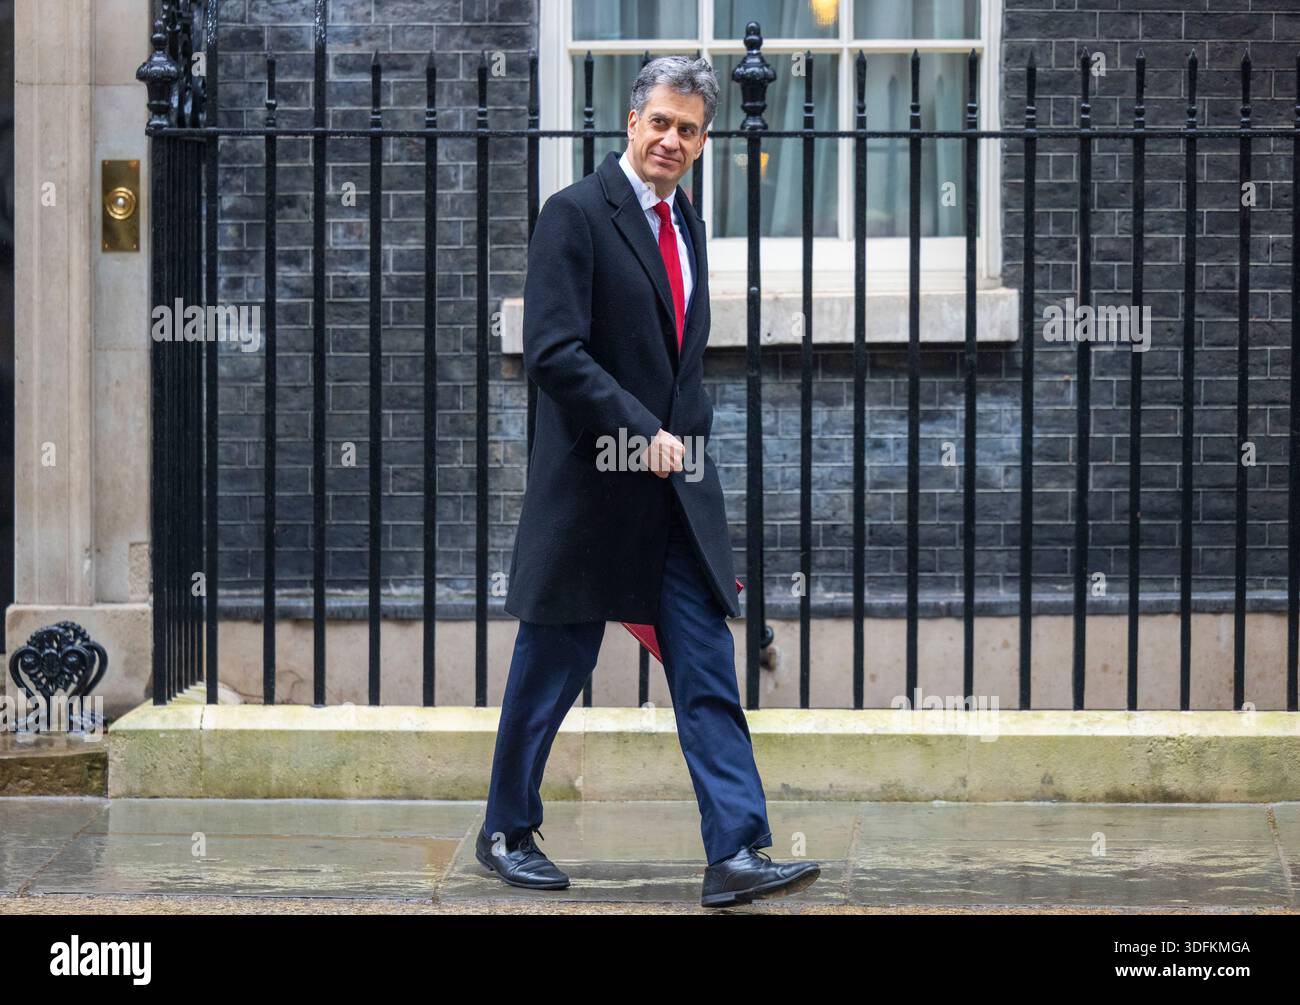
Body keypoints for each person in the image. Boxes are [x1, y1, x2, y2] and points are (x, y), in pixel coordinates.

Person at [475, 55, 820, 908]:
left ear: (703, 142)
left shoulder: (689, 223)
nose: (672, 139)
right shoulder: (575, 215)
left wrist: (686, 452)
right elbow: (554, 352)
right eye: (660, 122)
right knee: (552, 666)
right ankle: (505, 828)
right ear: (631, 122)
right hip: (594, 490)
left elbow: (683, 367)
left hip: (672, 494)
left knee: (707, 664)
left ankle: (735, 851)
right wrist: (641, 431)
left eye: (689, 129)